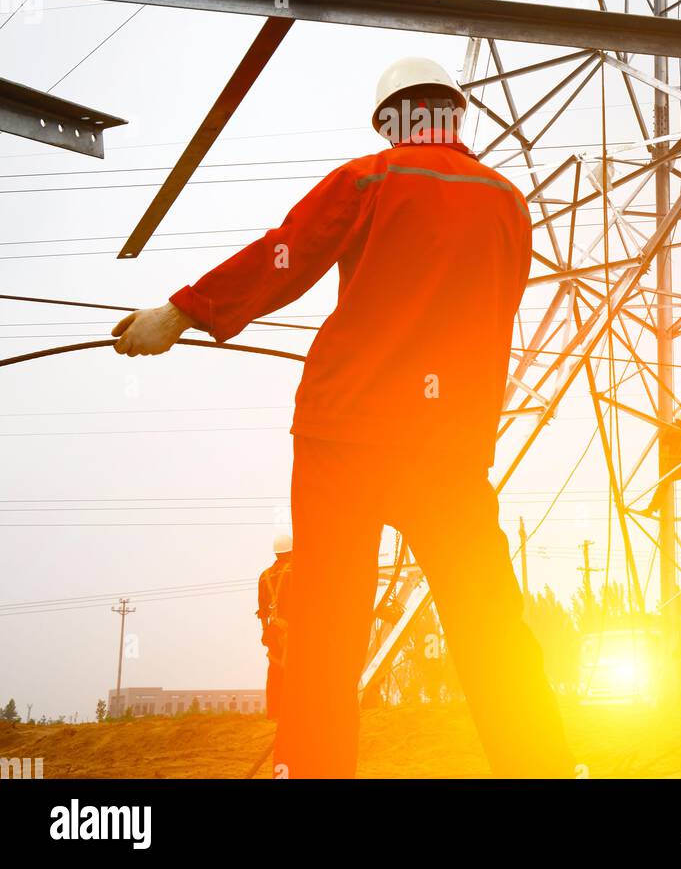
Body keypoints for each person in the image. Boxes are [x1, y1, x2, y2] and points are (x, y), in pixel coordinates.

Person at [112, 56, 573, 780]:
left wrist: (183, 311)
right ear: (452, 115)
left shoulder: (369, 178)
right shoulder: (509, 203)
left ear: (390, 120)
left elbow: (282, 258)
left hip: (344, 437)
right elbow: (496, 308)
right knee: (491, 631)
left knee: (328, 635)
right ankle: (545, 770)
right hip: (449, 449)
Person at [258, 534, 294, 720]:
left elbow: (262, 612)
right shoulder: (295, 571)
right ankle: (294, 711)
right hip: (293, 629)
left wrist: (266, 632)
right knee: (295, 670)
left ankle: (274, 713)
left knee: (275, 671)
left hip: (273, 630)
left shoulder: (264, 577)